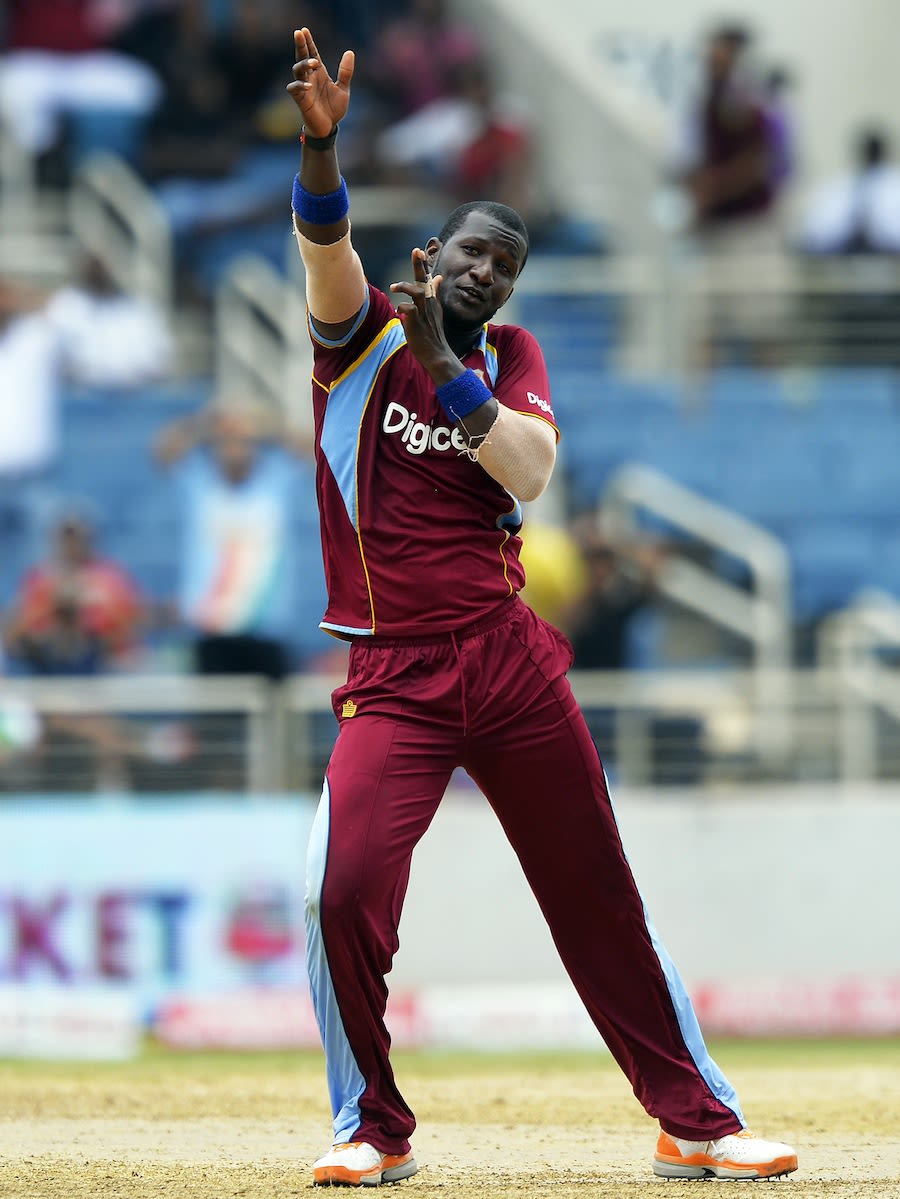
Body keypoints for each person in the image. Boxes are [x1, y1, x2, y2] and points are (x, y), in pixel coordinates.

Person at [287, 26, 798, 1188]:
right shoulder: (358, 340)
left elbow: (526, 471)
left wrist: (451, 366)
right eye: (474, 252)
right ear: (435, 253)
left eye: (506, 266)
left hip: (511, 665)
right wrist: (321, 152)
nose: (488, 273)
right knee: (340, 891)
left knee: (598, 895)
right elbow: (324, 246)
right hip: (396, 674)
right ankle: (371, 1126)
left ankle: (696, 1120)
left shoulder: (510, 355)